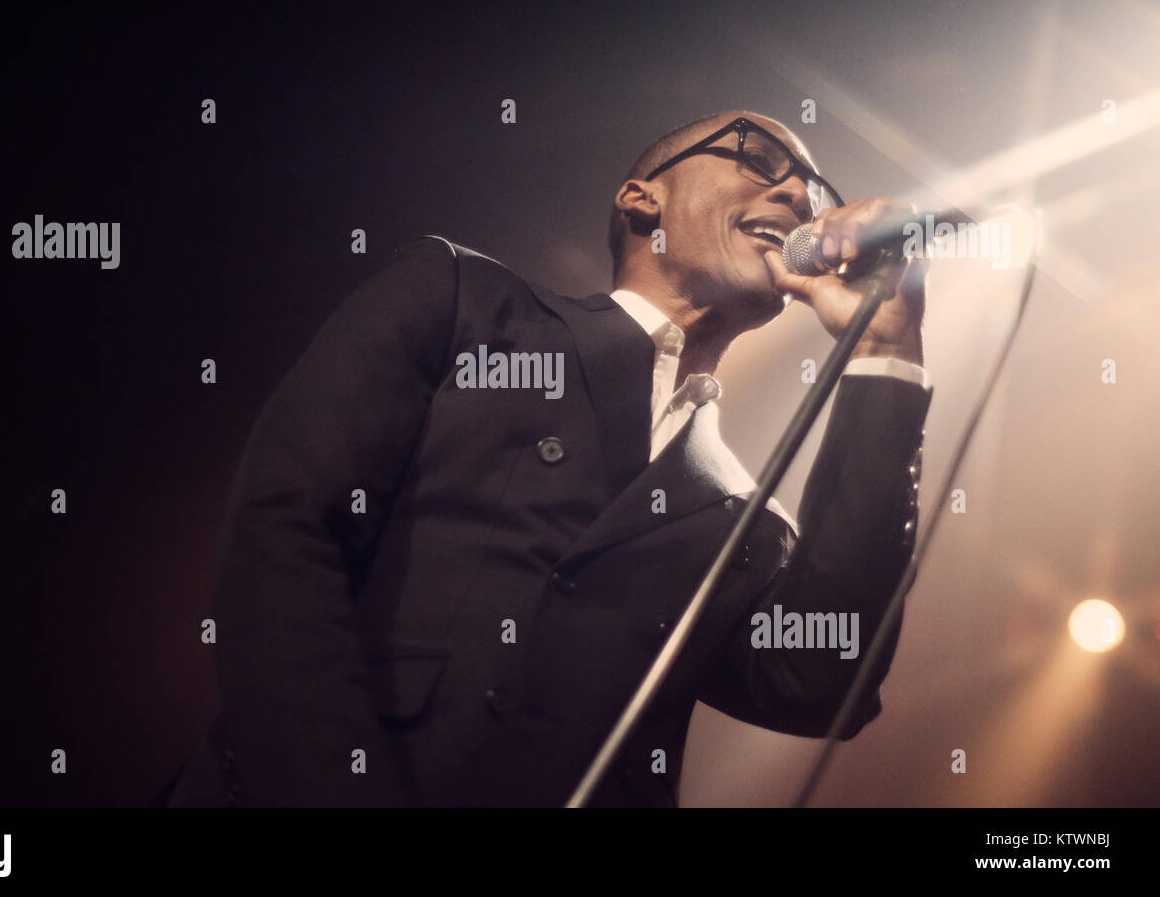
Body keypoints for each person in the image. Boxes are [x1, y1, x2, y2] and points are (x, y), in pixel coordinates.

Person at [166, 110, 932, 807]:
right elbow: (285, 535)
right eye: (759, 158)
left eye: (812, 187)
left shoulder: (747, 519)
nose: (800, 195)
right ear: (642, 201)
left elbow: (820, 683)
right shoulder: (463, 302)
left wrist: (885, 348)